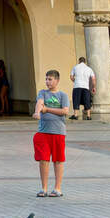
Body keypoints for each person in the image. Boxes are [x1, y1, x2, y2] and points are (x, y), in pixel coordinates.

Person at [33, 68, 70, 197]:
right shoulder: (42, 92)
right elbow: (39, 103)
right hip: (43, 132)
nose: (47, 82)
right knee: (43, 160)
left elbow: (65, 111)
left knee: (58, 160)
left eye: (50, 79)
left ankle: (57, 188)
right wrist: (37, 112)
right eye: (46, 79)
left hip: (58, 132)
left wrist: (47, 109)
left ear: (57, 80)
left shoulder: (63, 95)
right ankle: (43, 188)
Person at [70, 56, 95, 121]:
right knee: (87, 101)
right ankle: (88, 116)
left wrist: (75, 81)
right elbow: (93, 79)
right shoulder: (89, 69)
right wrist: (93, 87)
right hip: (86, 87)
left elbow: (71, 77)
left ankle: (75, 115)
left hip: (77, 86)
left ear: (79, 61)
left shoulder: (75, 67)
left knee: (76, 100)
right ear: (85, 62)